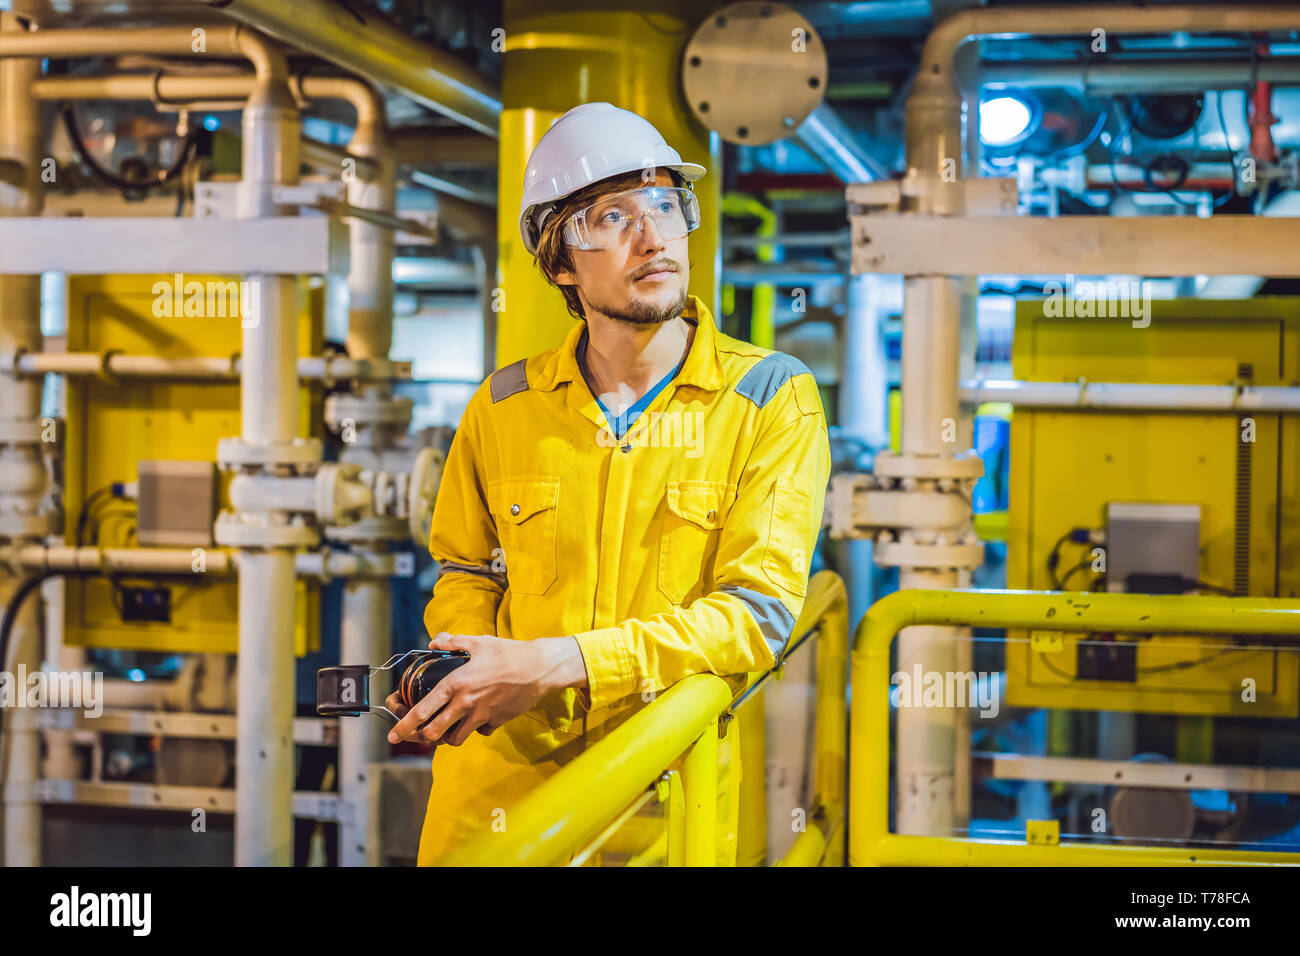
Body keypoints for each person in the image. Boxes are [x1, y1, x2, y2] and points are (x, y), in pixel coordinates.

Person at [388, 102, 831, 865]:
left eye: (665, 205)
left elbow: (756, 616)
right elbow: (464, 569)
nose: (653, 237)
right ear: (560, 261)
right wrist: (467, 666)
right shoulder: (503, 406)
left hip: (661, 804)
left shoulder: (768, 397)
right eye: (611, 216)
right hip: (496, 800)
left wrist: (552, 665)